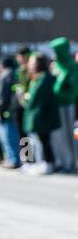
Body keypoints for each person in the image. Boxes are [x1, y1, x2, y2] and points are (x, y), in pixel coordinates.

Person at [22, 51, 59, 174]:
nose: (29, 65)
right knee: (34, 141)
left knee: (43, 141)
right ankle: (36, 162)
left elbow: (37, 100)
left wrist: (25, 97)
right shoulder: (35, 79)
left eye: (32, 63)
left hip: (41, 116)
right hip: (35, 116)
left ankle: (47, 163)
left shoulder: (45, 79)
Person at [48, 37, 75, 173]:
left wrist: (63, 77)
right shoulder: (55, 65)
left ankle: (70, 163)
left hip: (67, 105)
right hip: (55, 106)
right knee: (58, 136)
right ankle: (60, 162)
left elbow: (69, 87)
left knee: (69, 135)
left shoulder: (70, 65)